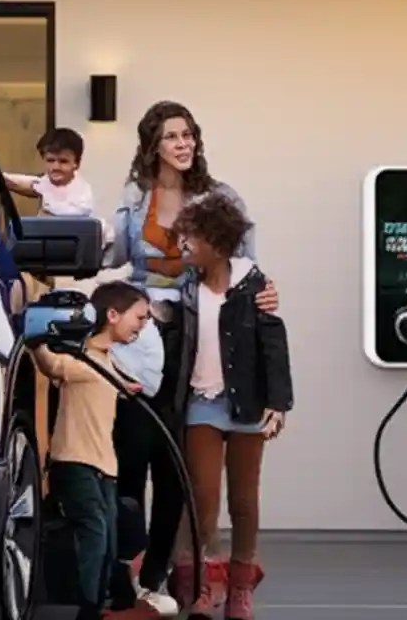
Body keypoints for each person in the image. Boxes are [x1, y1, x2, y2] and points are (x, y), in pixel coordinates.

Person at [104, 100, 280, 615]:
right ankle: (129, 579)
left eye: (188, 135)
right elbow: (113, 256)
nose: (183, 144)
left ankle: (177, 573)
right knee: (133, 455)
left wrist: (265, 293)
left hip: (197, 335)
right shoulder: (135, 196)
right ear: (152, 145)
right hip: (140, 339)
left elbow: (245, 272)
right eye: (171, 136)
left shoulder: (219, 198)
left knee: (178, 465)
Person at [167, 192, 293, 620]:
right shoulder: (185, 289)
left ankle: (240, 585)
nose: (182, 246)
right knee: (202, 498)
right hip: (201, 403)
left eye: (190, 238)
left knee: (244, 500)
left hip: (247, 405)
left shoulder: (254, 287)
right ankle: (202, 582)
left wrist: (279, 403)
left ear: (217, 244)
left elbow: (274, 345)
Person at [30, 281, 151, 619]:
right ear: (112, 315)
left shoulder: (107, 363)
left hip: (104, 466)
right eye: (139, 317)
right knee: (95, 530)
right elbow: (53, 366)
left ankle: (103, 601)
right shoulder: (83, 359)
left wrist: (125, 386)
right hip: (76, 462)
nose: (143, 324)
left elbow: (112, 384)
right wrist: (36, 339)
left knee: (108, 537)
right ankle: (88, 608)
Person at [5, 127, 112, 299]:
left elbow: (63, 213)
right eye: (50, 160)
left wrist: (44, 208)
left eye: (63, 161)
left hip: (70, 272)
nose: (56, 167)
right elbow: (27, 183)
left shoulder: (81, 193)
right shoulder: (47, 183)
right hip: (42, 265)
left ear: (76, 163)